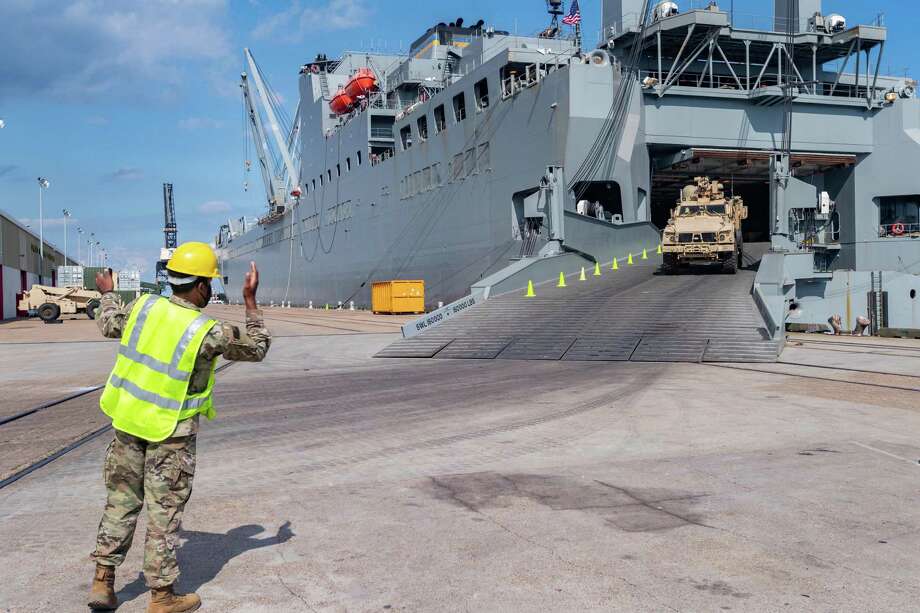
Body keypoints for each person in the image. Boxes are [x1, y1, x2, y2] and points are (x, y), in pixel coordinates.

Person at [87, 242, 271, 613]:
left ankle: (102, 583)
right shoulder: (208, 331)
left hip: (127, 422)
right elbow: (257, 347)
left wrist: (107, 294)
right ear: (202, 285)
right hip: (170, 433)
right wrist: (250, 300)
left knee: (121, 503)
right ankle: (162, 598)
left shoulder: (143, 307)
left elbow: (109, 324)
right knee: (163, 513)